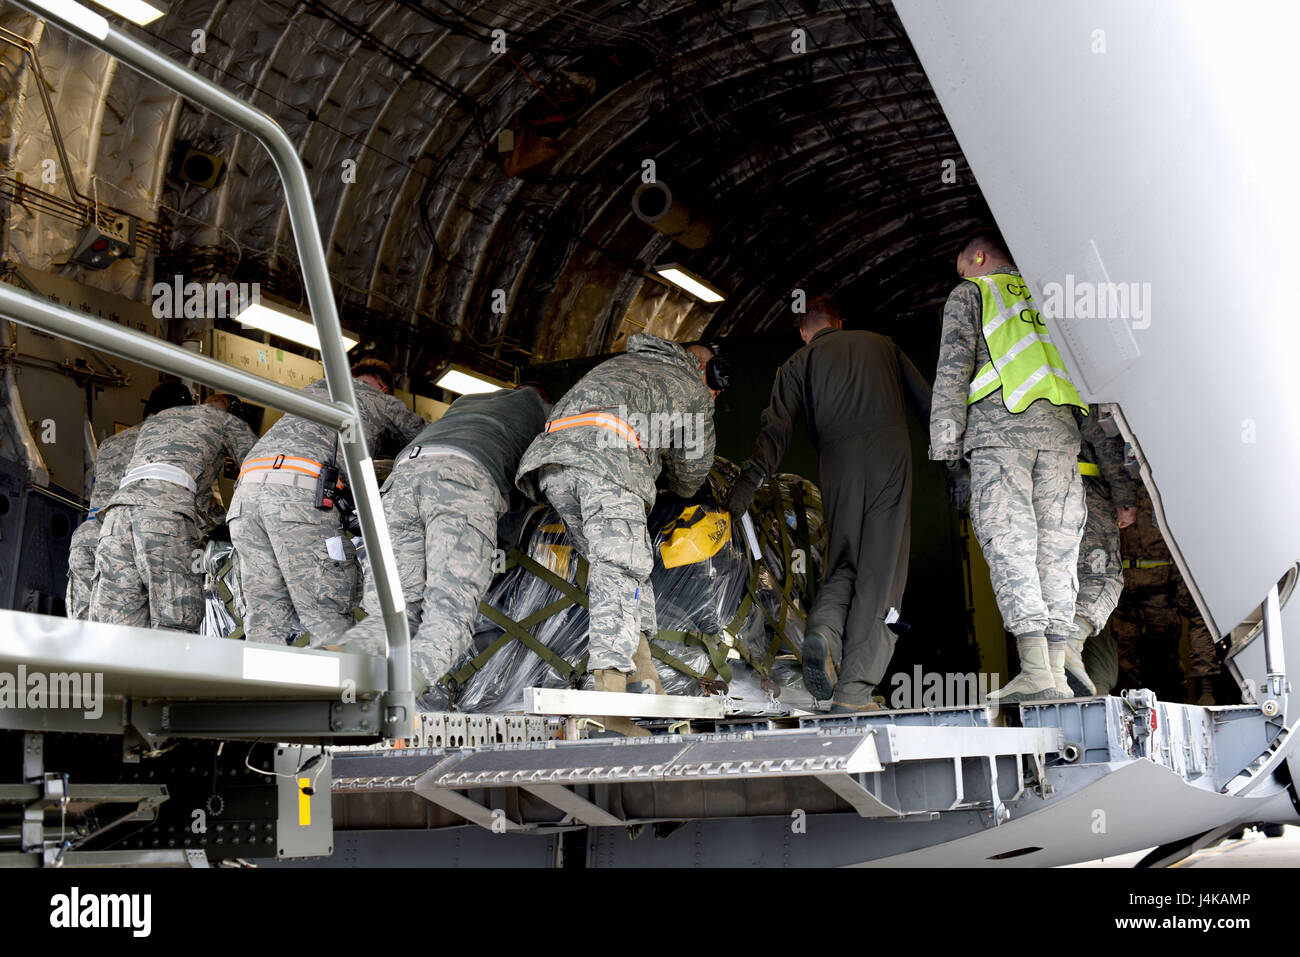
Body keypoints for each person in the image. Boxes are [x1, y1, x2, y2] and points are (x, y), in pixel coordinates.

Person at [725, 295, 931, 712]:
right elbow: (930, 406)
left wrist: (744, 488)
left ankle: (822, 631)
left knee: (844, 564)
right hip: (890, 460)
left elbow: (775, 432)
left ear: (804, 332)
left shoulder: (797, 363)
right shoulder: (883, 345)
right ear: (840, 322)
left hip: (839, 465)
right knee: (881, 576)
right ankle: (854, 692)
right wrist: (960, 465)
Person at [516, 334, 719, 734]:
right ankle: (611, 707)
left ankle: (644, 674)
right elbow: (689, 478)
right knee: (621, 575)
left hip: (553, 470)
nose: (713, 392)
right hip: (608, 469)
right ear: (702, 370)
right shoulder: (690, 388)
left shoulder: (621, 366)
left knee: (624, 576)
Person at [929, 228, 1088, 703]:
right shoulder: (1048, 298)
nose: (963, 275)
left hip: (1002, 437)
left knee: (1012, 543)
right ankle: (1056, 674)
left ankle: (1037, 671)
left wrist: (948, 456)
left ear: (978, 257)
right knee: (1058, 552)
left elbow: (953, 373)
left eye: (963, 266)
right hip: (1061, 437)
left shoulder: (972, 293)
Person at [344, 385, 548, 699]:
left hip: (401, 480)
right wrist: (498, 552)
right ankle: (394, 702)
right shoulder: (541, 415)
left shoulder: (466, 404)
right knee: (448, 614)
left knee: (391, 615)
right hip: (462, 481)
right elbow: (526, 491)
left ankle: (339, 676)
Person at [228, 358, 425, 646]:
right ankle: (336, 691)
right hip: (299, 499)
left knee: (264, 616)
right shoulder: (380, 401)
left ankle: (262, 688)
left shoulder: (311, 391)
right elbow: (427, 438)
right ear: (383, 386)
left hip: (244, 499)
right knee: (328, 614)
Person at [90, 392, 256, 631]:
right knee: (175, 621)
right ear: (233, 411)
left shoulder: (162, 419)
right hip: (163, 519)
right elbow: (260, 468)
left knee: (117, 625)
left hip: (116, 518)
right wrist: (232, 524)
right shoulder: (228, 422)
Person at [65, 381, 193, 619]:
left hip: (91, 538)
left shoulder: (111, 443)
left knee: (83, 627)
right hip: (141, 542)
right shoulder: (184, 445)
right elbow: (204, 508)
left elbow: (100, 500)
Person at [1111, 478, 1221, 704]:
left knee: (1151, 658)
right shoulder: (1156, 484)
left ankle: (1194, 693)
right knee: (1132, 660)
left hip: (1148, 585)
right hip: (1133, 586)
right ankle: (1198, 692)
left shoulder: (1128, 482)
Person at [1064, 403, 1135, 696]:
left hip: (1024, 496)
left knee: (1046, 588)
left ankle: (1045, 669)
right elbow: (1101, 436)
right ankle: (1068, 644)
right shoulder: (1064, 373)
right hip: (1079, 491)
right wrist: (1124, 494)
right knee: (1102, 579)